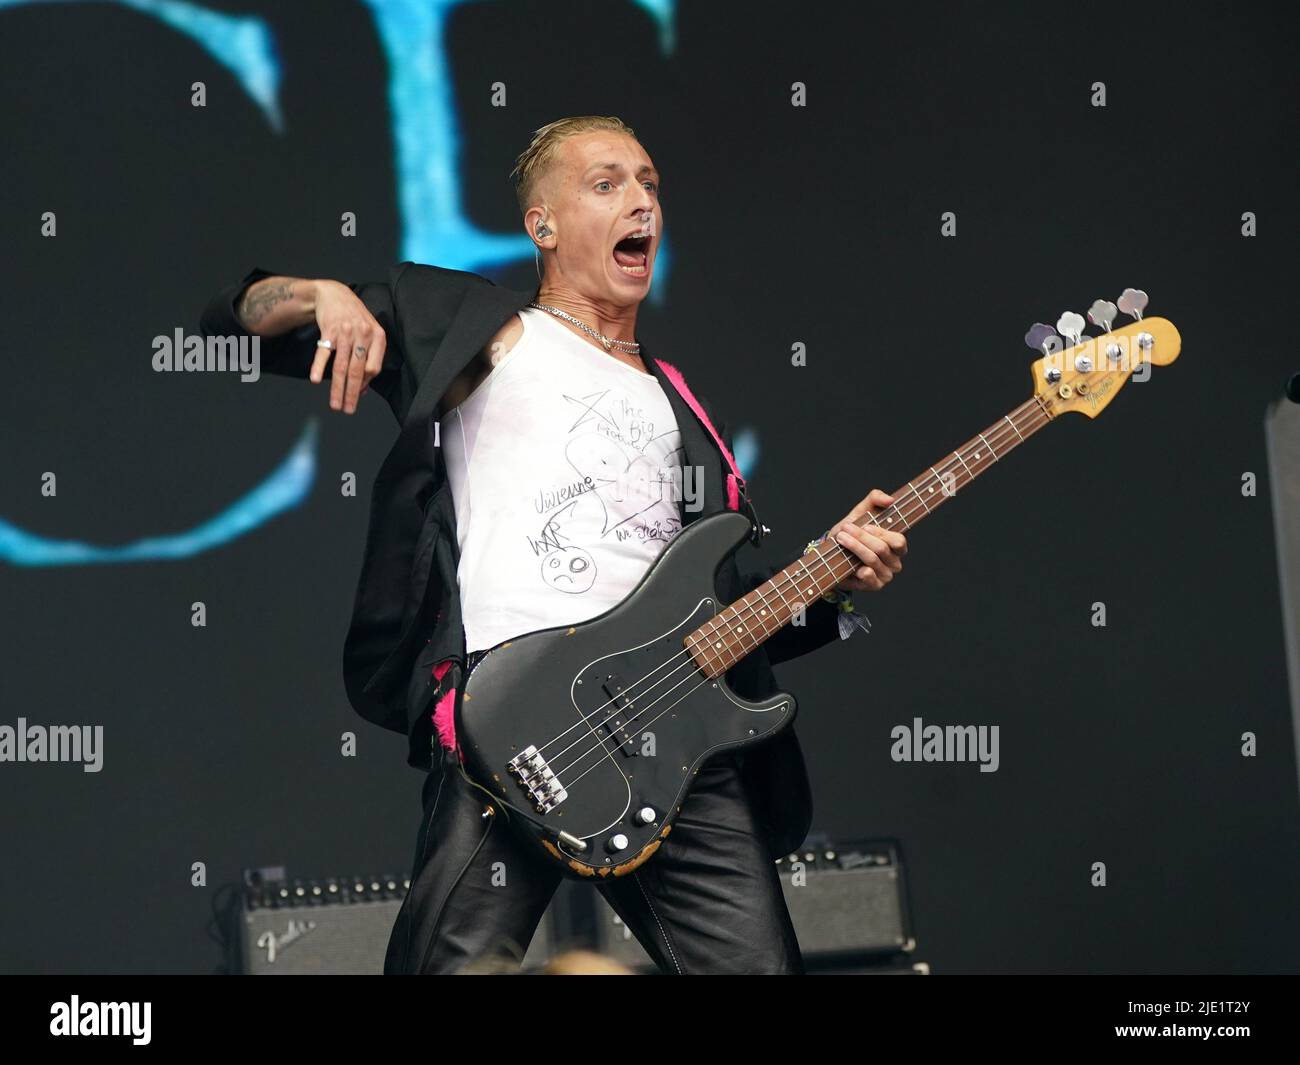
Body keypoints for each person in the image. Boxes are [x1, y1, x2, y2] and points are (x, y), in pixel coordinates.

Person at [199, 115, 906, 974]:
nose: (641, 199)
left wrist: (829, 582)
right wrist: (316, 295)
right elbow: (230, 324)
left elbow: (724, 618)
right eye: (606, 184)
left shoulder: (678, 407)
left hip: (669, 741)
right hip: (517, 719)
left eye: (649, 183)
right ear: (542, 226)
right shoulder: (482, 330)